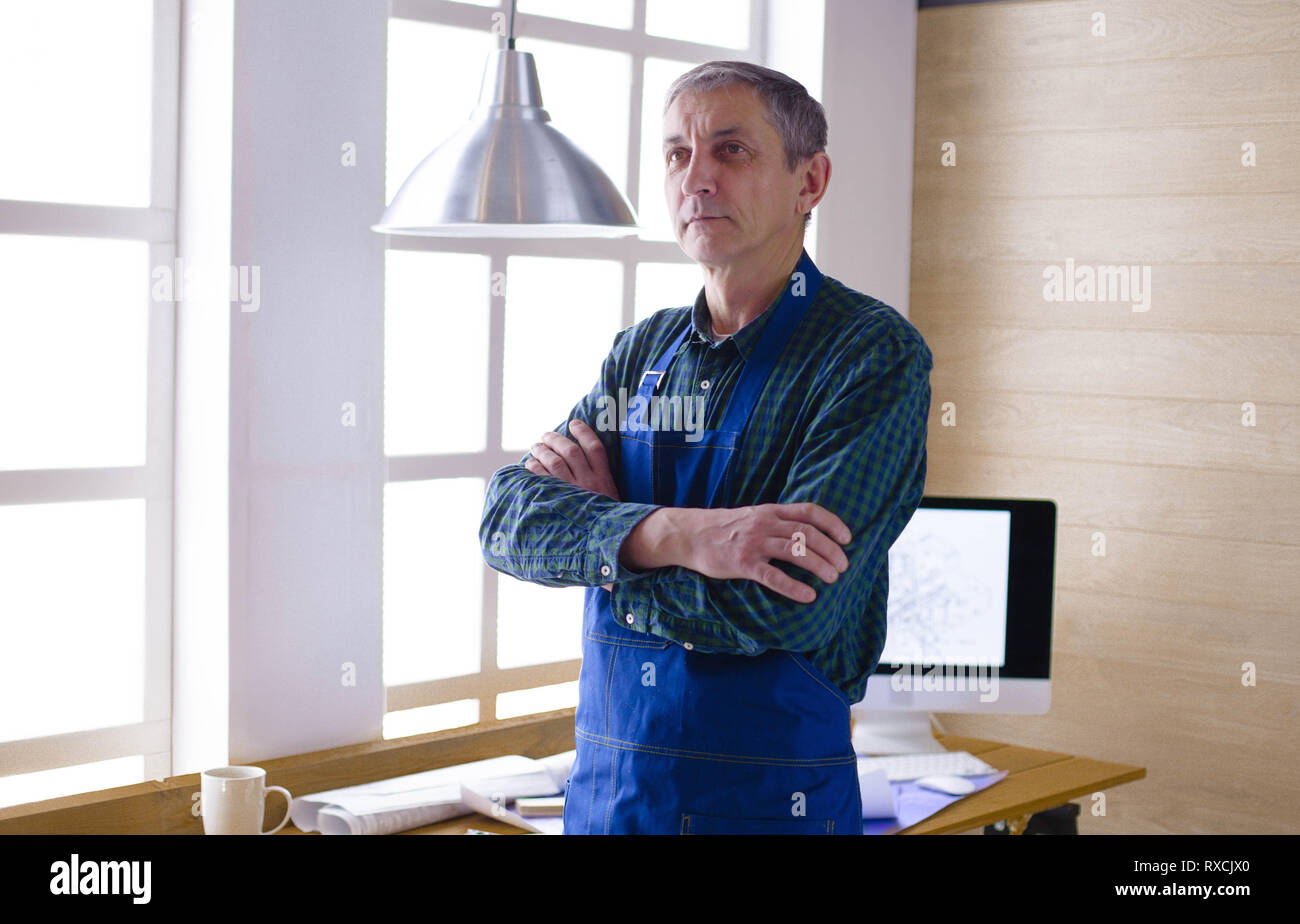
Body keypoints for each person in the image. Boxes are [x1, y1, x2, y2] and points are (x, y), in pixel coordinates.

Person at [479, 60, 932, 834]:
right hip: (607, 804)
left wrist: (607, 544)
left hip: (767, 809)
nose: (698, 178)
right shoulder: (642, 354)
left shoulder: (869, 356)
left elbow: (782, 604)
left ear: (810, 181)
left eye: (732, 150)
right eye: (677, 154)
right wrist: (678, 534)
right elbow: (507, 522)